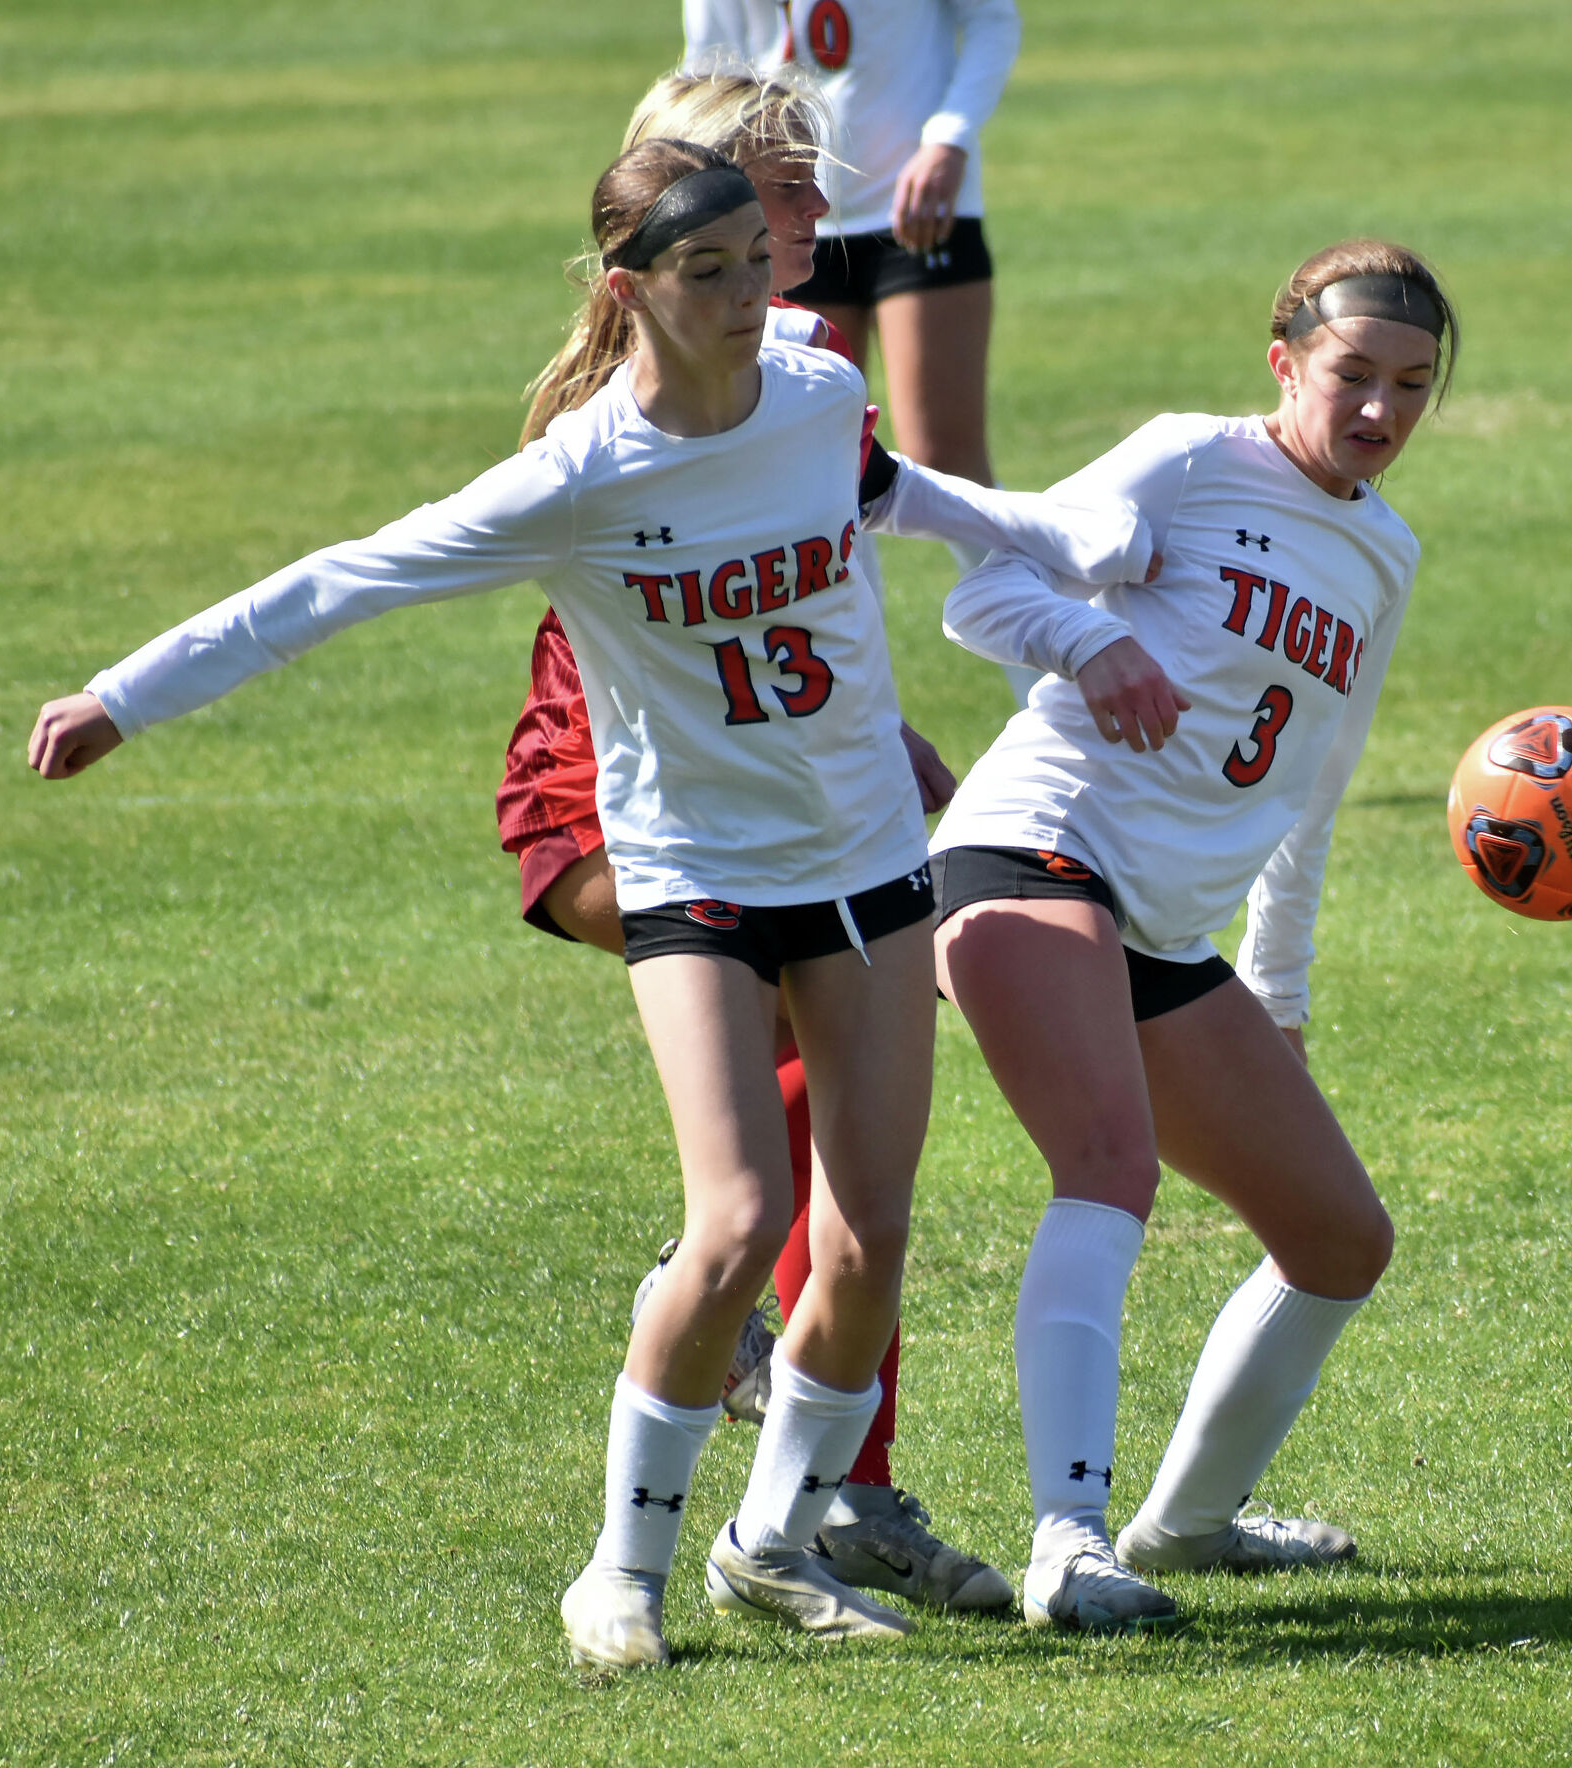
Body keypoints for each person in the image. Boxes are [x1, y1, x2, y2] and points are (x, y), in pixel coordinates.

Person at [498, 64, 1150, 1617]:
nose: (815, 210)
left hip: (777, 790)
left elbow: (846, 573)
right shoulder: (703, 367)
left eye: (806, 185)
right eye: (787, 186)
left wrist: (882, 733)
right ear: (691, 215)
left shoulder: (809, 365)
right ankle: (764, 1423)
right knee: (800, 1125)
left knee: (856, 1156)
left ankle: (815, 1478)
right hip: (622, 801)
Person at [926, 240, 1460, 1632]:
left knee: (1340, 1238)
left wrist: (1277, 987)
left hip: (1158, 929)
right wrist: (1089, 645)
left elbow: (1314, 788)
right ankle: (1069, 1541)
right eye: (1353, 376)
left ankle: (1190, 1527)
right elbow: (981, 589)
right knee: (1109, 1168)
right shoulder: (1184, 460)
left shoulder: (1383, 554)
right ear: (1283, 360)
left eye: (1414, 386)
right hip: (1031, 849)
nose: (1381, 413)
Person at [683, 0, 1016, 493]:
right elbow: (708, 70)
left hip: (920, 203)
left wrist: (950, 137)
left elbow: (993, 18)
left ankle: (1028, 570)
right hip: (778, 220)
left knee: (943, 458)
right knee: (814, 463)